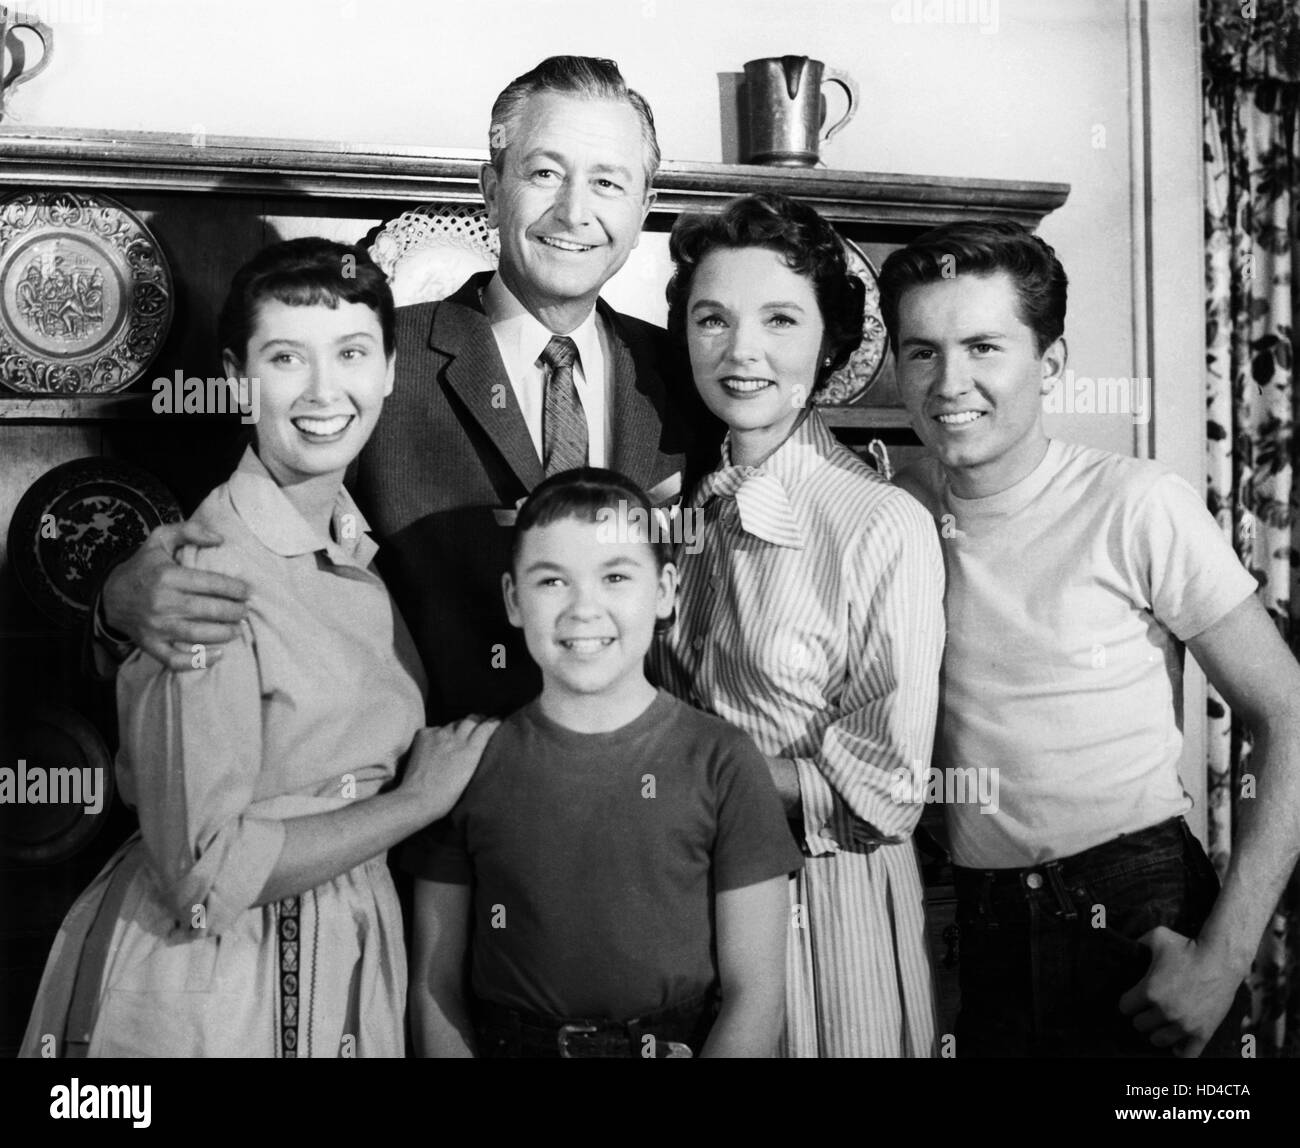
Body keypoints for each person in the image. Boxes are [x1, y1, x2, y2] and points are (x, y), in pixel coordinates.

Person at [96, 56, 710, 724]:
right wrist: (120, 606)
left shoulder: (684, 377)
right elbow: (217, 567)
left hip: (632, 803)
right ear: (492, 188)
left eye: (607, 182)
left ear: (645, 206)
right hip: (418, 802)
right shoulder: (369, 366)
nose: (573, 212)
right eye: (543, 173)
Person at [20, 239, 497, 1057]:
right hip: (221, 985)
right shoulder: (202, 579)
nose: (323, 391)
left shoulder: (352, 544)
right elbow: (204, 876)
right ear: (239, 378)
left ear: (388, 369)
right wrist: (417, 802)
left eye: (350, 353)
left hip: (340, 947)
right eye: (285, 358)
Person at [884, 219, 1300, 1057]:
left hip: (1141, 926)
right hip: (980, 928)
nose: (949, 381)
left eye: (984, 347)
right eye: (922, 351)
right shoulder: (890, 505)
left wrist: (1223, 959)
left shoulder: (1138, 502)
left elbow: (1289, 714)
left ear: (1052, 364)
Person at [652, 193, 947, 1058]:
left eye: (780, 319)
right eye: (713, 320)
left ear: (829, 342)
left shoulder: (878, 522)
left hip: (827, 909)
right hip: (690, 902)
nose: (741, 351)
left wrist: (683, 766)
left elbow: (887, 785)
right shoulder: (680, 512)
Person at [405, 469, 802, 1058]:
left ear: (665, 590)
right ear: (513, 599)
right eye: (551, 582)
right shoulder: (466, 763)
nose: (583, 609)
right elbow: (433, 988)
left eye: (615, 576)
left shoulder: (724, 762)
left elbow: (757, 994)